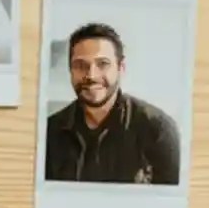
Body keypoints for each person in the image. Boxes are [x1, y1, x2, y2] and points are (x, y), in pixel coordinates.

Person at [45, 22, 182, 186]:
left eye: (103, 64)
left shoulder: (157, 129)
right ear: (70, 70)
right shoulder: (49, 131)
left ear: (121, 68)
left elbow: (171, 206)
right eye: (81, 65)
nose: (91, 75)